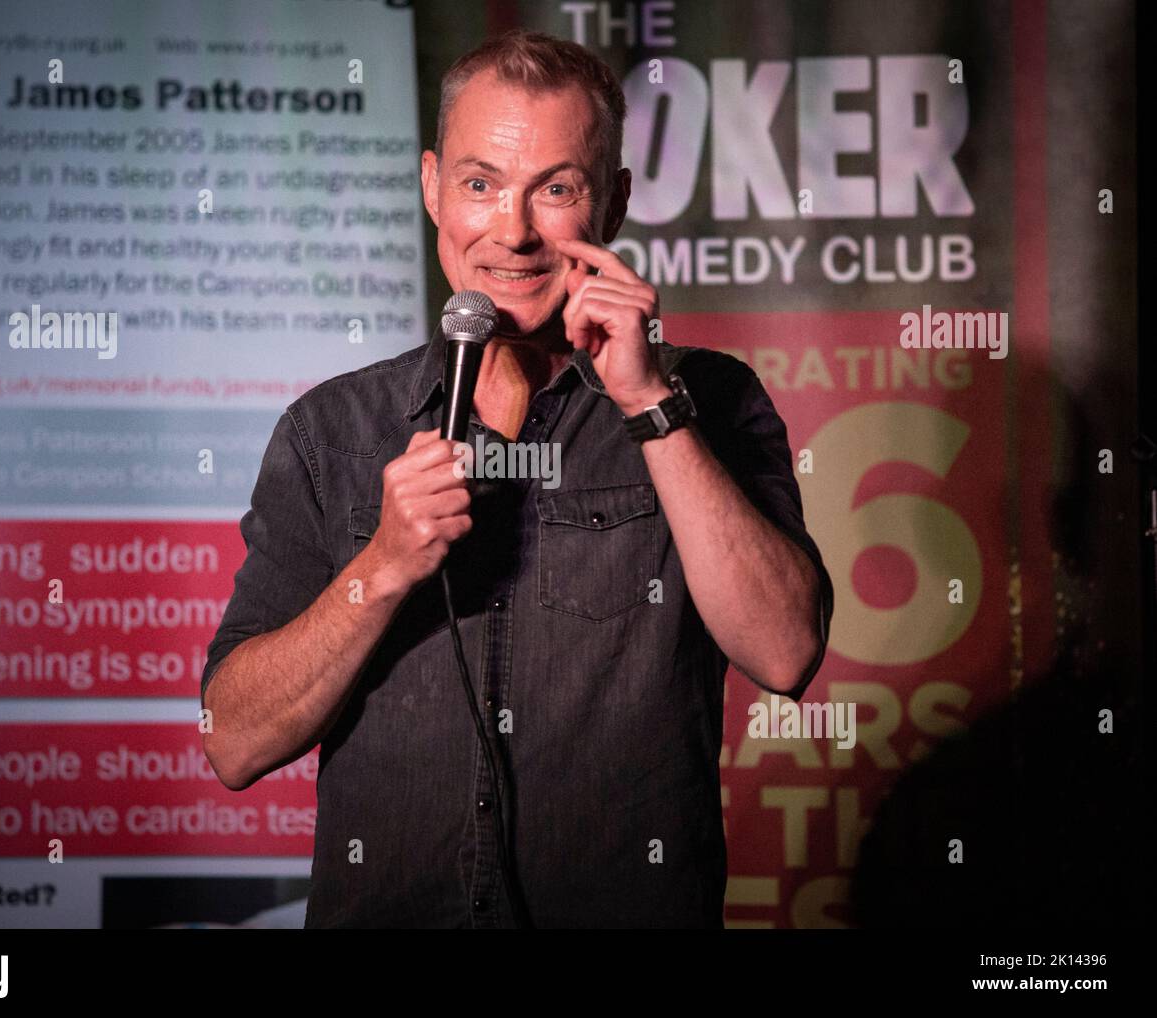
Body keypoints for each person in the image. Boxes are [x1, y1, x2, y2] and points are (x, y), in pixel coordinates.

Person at [201, 29, 833, 929]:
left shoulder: (709, 399)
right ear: (431, 188)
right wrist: (380, 568)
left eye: (557, 189)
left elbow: (784, 651)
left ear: (611, 202)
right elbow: (231, 739)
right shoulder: (331, 432)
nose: (513, 231)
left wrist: (651, 405)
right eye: (479, 184)